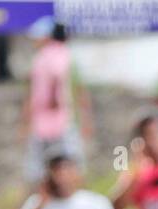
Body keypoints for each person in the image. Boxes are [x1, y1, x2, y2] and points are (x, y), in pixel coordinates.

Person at [21, 18, 91, 185]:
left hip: (45, 123)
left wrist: (26, 122)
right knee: (72, 164)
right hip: (61, 121)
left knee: (40, 168)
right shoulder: (63, 55)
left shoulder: (42, 58)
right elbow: (76, 89)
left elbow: (33, 92)